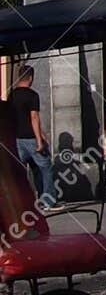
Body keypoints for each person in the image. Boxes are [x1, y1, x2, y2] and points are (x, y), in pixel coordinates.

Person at [8, 66, 55, 210]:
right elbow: (34, 117)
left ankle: (21, 203)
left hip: (16, 138)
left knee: (23, 171)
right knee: (46, 168)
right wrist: (40, 140)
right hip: (30, 138)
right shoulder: (32, 95)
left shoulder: (12, 95)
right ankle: (46, 201)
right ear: (31, 78)